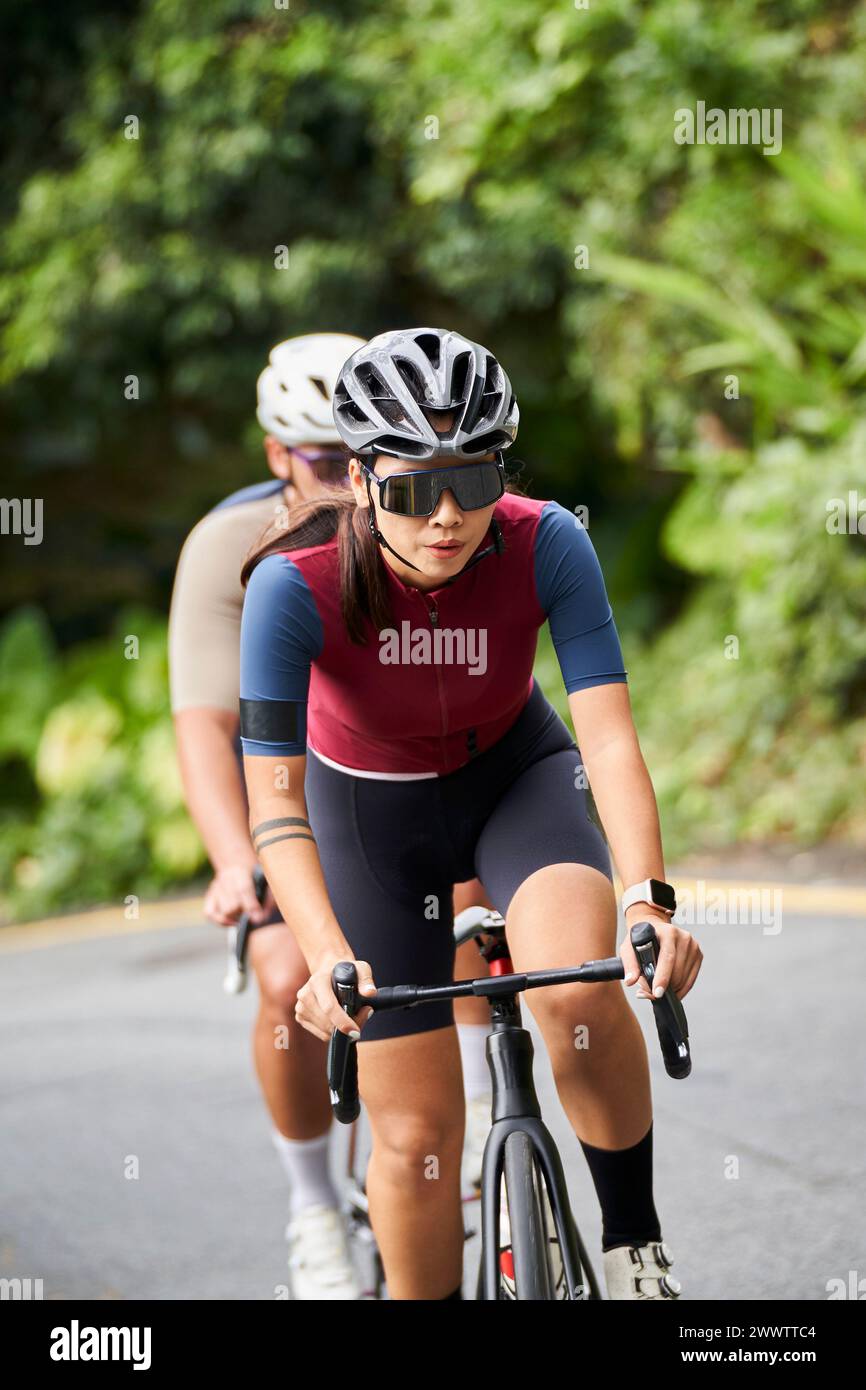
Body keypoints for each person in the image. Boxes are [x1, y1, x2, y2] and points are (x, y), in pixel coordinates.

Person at [239, 326, 703, 1301]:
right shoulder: (291, 589)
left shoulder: (545, 541)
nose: (446, 517)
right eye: (411, 490)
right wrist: (325, 956)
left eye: (475, 479)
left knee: (576, 992)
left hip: (516, 781)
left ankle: (634, 1250)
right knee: (411, 1141)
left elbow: (608, 739)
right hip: (368, 819)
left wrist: (647, 901)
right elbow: (276, 810)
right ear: (359, 481)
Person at [168, 331, 497, 1300]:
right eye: (309, 460)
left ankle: (472, 1121)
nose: (325, 482)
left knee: (468, 906)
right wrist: (235, 861)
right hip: (287, 787)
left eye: (342, 453)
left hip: (396, 773)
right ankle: (313, 1204)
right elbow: (204, 721)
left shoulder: (414, 517)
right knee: (283, 977)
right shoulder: (234, 548)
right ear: (277, 456)